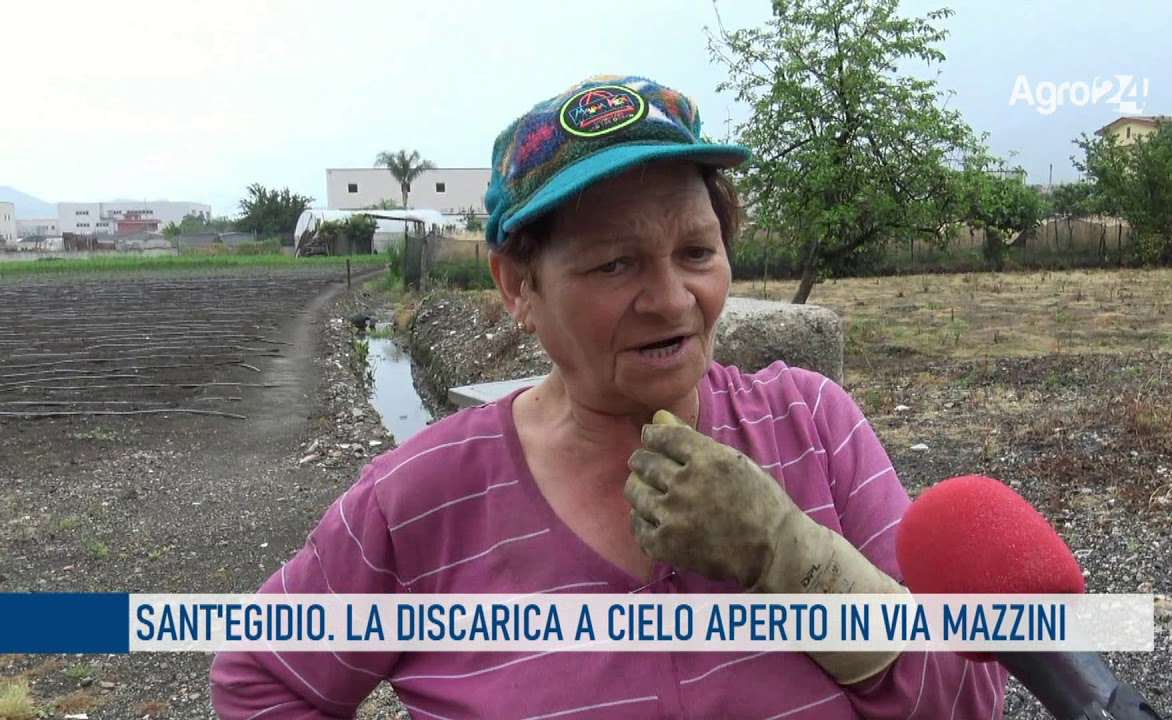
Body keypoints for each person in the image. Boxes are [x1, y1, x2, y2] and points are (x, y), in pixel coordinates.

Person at [210, 74, 1009, 719]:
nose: (671, 298)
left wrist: (786, 553)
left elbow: (966, 699)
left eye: (697, 251)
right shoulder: (418, 500)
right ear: (519, 284)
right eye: (613, 265)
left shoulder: (813, 428)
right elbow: (260, 679)